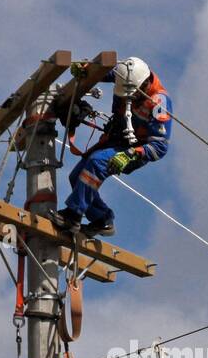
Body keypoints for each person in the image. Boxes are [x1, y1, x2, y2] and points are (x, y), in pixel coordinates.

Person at [49, 56, 172, 237]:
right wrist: (87, 69)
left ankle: (72, 216)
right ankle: (102, 220)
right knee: (76, 177)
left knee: (96, 162)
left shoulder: (159, 102)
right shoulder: (127, 75)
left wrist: (132, 154)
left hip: (134, 149)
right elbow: (104, 72)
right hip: (116, 138)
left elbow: (160, 147)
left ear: (143, 85)